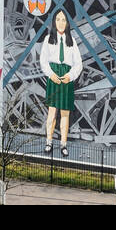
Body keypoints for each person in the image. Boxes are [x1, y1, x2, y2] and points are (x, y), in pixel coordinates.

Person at [39, 10, 83, 159]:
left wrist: (70, 76)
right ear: (54, 22)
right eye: (58, 19)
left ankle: (63, 144)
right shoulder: (48, 39)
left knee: (65, 113)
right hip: (54, 75)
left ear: (67, 23)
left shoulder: (72, 41)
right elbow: (43, 61)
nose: (61, 22)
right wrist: (51, 74)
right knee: (52, 112)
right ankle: (49, 141)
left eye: (63, 20)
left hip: (66, 77)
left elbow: (78, 64)